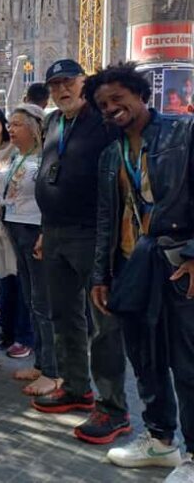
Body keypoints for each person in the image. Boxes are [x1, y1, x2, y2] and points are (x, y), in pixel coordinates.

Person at [86, 64, 194, 477]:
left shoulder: (183, 133)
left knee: (187, 363)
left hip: (177, 265)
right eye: (103, 105)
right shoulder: (111, 154)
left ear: (139, 94)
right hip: (131, 267)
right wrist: (100, 275)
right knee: (145, 359)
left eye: (118, 98)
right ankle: (159, 440)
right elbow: (104, 219)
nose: (112, 108)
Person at [33, 58, 128, 445]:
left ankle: (113, 408)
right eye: (54, 85)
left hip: (91, 234)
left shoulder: (103, 121)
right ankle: (75, 386)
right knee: (63, 314)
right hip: (54, 234)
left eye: (68, 82)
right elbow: (50, 169)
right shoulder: (54, 122)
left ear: (83, 82)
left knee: (103, 324)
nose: (61, 90)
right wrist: (44, 230)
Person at [0, 105, 60, 397]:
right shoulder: (15, 156)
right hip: (16, 229)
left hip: (35, 232)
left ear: (34, 127)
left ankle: (53, 371)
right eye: (10, 124)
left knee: (43, 302)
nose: (11, 129)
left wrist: (45, 232)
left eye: (18, 124)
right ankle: (41, 361)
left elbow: (53, 197)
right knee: (31, 299)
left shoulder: (47, 155)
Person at [0, 104, 32, 359]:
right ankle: (7, 329)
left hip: (18, 225)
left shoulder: (18, 154)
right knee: (6, 281)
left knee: (22, 283)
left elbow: (18, 195)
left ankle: (24, 335)